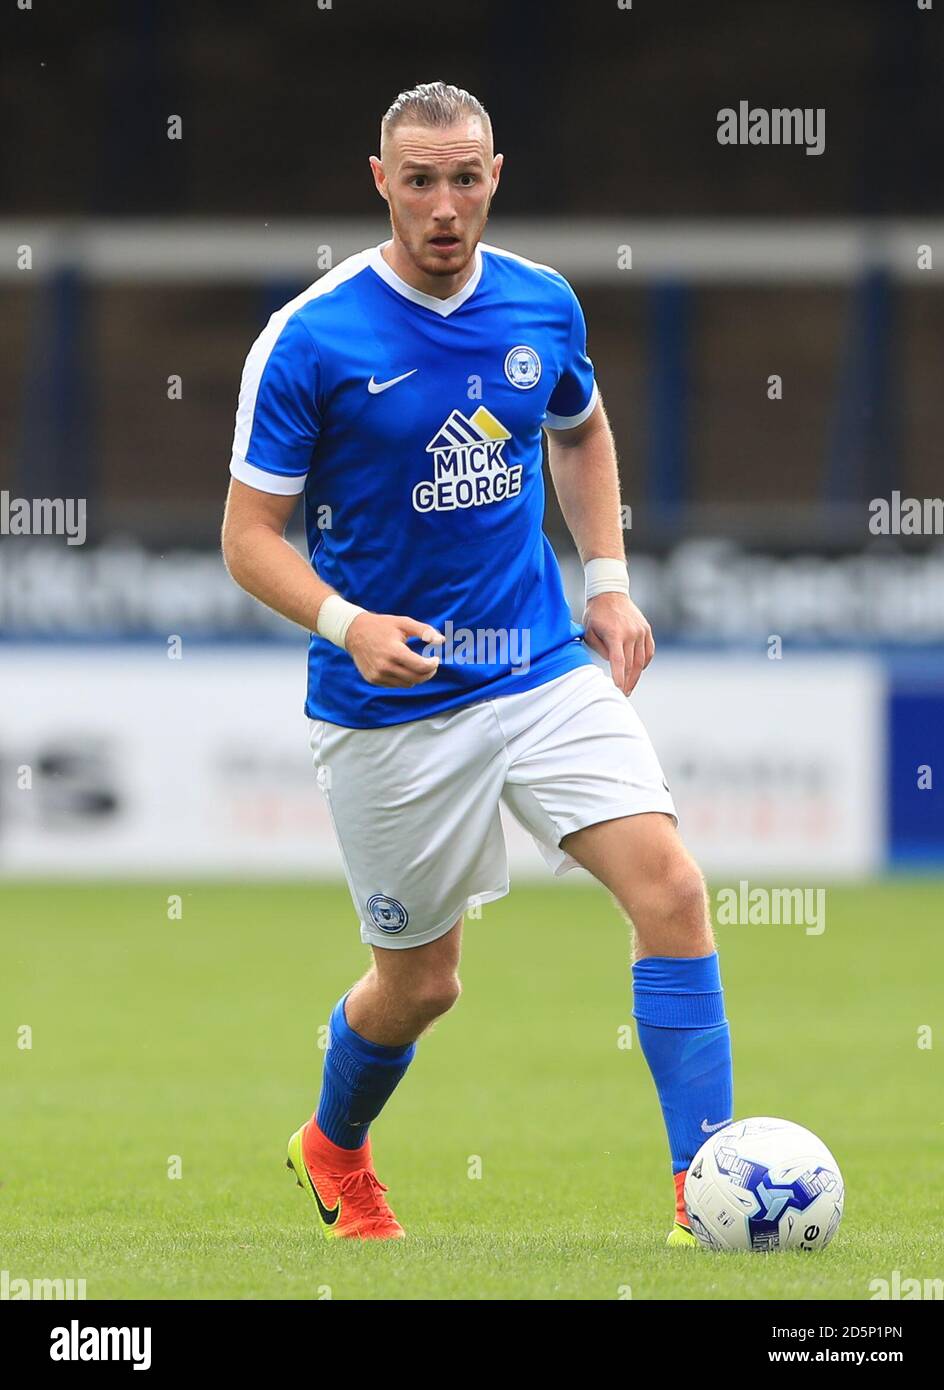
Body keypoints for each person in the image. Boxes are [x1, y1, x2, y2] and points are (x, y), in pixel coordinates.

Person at [221, 80, 732, 1245]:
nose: (444, 206)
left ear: (494, 176)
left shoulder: (540, 304)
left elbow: (580, 425)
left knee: (672, 889)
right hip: (386, 705)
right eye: (419, 181)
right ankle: (333, 1145)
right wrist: (348, 621)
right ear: (380, 183)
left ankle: (704, 1196)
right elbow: (247, 538)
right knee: (421, 984)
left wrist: (604, 580)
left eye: (465, 179)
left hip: (535, 661)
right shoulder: (311, 338)